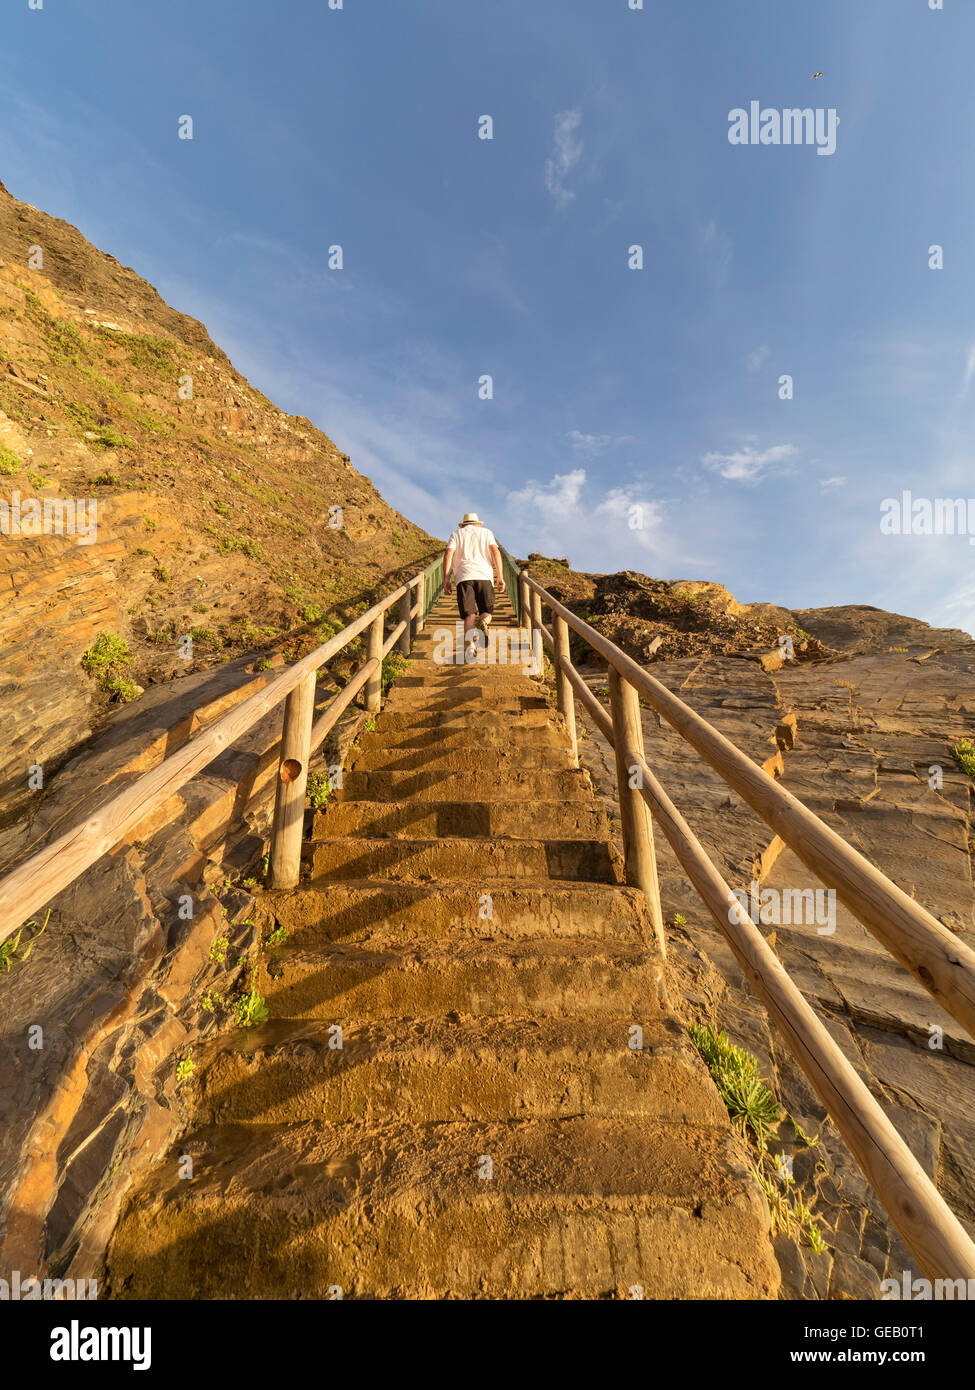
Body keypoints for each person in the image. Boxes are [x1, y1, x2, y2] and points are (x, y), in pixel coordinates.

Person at [443, 513, 505, 662]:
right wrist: (500, 576)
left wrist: (446, 578)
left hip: (463, 577)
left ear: (463, 524)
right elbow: (496, 552)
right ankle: (483, 622)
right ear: (478, 523)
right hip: (484, 575)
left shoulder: (456, 534)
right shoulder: (486, 532)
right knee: (486, 611)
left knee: (469, 614)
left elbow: (448, 554)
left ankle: (470, 646)